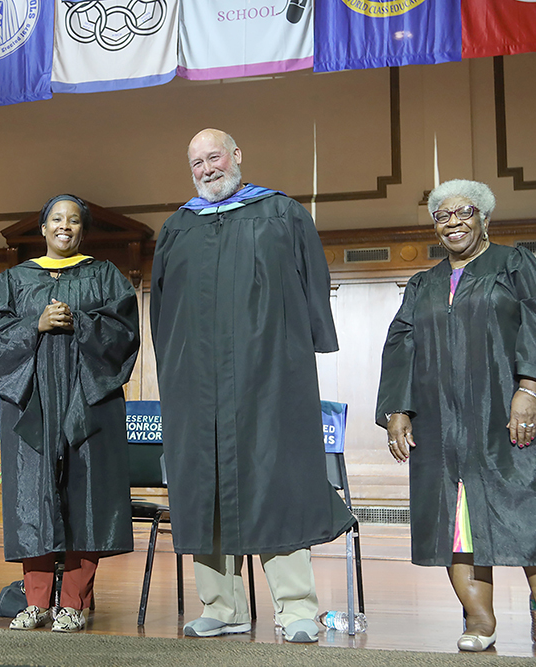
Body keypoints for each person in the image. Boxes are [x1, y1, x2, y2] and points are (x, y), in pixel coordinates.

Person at [150, 129, 354, 642]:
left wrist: (303, 352)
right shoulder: (179, 226)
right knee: (204, 484)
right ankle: (222, 607)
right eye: (196, 161)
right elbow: (162, 309)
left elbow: (311, 280)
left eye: (213, 156)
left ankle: (296, 607)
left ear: (237, 155)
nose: (206, 168)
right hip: (196, 381)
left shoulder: (280, 213)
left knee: (275, 480)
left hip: (270, 377)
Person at [376, 179, 536, 657]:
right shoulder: (423, 283)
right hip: (442, 422)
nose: (453, 223)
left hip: (508, 413)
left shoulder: (513, 264)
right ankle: (480, 620)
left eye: (463, 212)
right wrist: (397, 409)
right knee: (459, 520)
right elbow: (400, 344)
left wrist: (530, 388)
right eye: (442, 216)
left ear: (484, 216)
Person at [0, 194, 139, 633]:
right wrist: (36, 324)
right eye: (56, 219)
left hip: (89, 403)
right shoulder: (14, 280)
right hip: (32, 405)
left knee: (86, 499)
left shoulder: (105, 276)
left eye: (73, 220)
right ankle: (35, 601)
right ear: (43, 229)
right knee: (33, 496)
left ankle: (73, 603)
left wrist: (80, 324)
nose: (64, 226)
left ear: (82, 231)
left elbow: (125, 333)